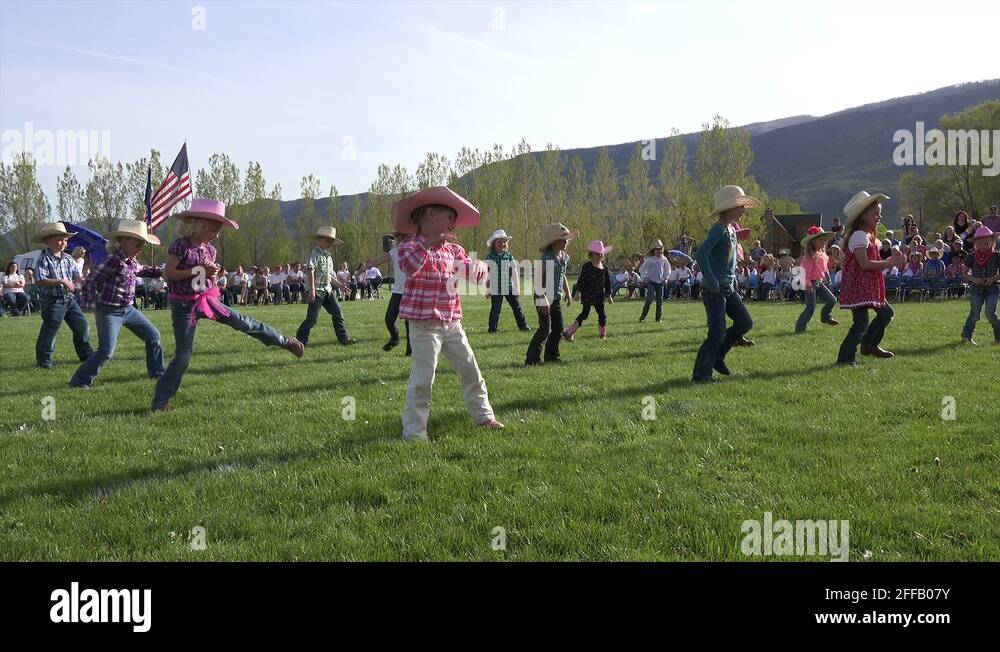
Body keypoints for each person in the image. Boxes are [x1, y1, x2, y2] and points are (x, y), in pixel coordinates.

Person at [151, 199, 303, 411]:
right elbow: (168, 275)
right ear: (199, 224)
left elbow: (207, 279)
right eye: (214, 229)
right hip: (183, 307)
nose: (217, 234)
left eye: (219, 230)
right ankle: (160, 402)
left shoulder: (211, 251)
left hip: (207, 299)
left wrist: (210, 273)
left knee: (243, 322)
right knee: (183, 356)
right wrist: (198, 269)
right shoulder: (181, 246)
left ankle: (285, 341)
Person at [392, 186, 503, 440]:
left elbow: (471, 273)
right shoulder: (409, 246)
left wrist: (481, 269)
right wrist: (431, 243)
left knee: (471, 370)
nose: (454, 223)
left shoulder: (453, 250)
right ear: (430, 213)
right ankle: (414, 433)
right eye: (449, 216)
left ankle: (484, 416)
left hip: (452, 323)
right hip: (423, 326)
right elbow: (409, 266)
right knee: (423, 380)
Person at [70, 219, 164, 388]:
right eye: (138, 244)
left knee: (153, 336)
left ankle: (157, 375)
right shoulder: (112, 260)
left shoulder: (131, 261)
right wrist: (92, 305)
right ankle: (79, 381)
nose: (140, 248)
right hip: (108, 311)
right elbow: (92, 283)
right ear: (124, 241)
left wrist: (165, 270)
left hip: (128, 310)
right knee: (106, 351)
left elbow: (144, 270)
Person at [692, 186, 757, 383]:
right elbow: (700, 254)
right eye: (741, 206)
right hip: (714, 290)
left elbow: (729, 261)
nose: (744, 210)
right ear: (729, 208)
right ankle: (700, 375)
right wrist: (711, 281)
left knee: (745, 322)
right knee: (717, 332)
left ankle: (718, 356)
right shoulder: (718, 230)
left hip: (728, 288)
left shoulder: (731, 230)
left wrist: (733, 281)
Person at [836, 191, 905, 366]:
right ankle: (845, 358)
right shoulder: (859, 235)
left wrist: (893, 258)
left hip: (868, 286)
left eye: (879, 212)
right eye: (876, 213)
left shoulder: (867, 235)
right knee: (860, 323)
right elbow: (865, 264)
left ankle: (869, 345)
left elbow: (872, 260)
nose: (879, 216)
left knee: (886, 313)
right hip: (859, 286)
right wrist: (889, 263)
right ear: (863, 215)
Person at [33, 222, 93, 368]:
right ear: (48, 241)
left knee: (82, 326)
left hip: (69, 300)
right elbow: (40, 280)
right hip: (53, 302)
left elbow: (76, 276)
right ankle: (44, 361)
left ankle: (86, 355)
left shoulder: (67, 258)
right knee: (51, 330)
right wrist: (62, 281)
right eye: (59, 239)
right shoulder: (44, 259)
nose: (63, 242)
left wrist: (86, 281)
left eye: (65, 240)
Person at [295, 226, 357, 347]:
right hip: (317, 291)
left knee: (337, 312)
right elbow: (310, 271)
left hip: (327, 290)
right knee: (312, 318)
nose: (330, 243)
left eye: (331, 241)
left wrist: (341, 286)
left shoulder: (329, 257)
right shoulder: (315, 254)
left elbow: (329, 277)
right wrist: (312, 291)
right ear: (320, 240)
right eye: (327, 240)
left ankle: (343, 338)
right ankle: (300, 340)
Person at [526, 223, 575, 365]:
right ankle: (532, 359)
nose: (566, 242)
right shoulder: (546, 258)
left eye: (567, 239)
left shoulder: (565, 258)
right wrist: (542, 297)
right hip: (543, 297)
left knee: (558, 328)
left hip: (556, 298)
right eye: (563, 239)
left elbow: (563, 275)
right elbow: (537, 279)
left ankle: (552, 356)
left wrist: (568, 293)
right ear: (554, 241)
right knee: (544, 329)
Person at [365, 232, 413, 354]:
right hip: (397, 291)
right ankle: (395, 338)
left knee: (409, 324)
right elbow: (378, 261)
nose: (399, 238)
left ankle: (410, 350)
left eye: (402, 235)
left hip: (410, 291)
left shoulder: (415, 250)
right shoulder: (394, 252)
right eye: (398, 236)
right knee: (389, 320)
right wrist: (363, 267)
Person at [564, 240, 613, 341]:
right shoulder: (587, 266)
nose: (601, 255)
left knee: (602, 315)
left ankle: (602, 335)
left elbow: (607, 283)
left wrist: (609, 295)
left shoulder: (604, 268)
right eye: (599, 253)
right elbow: (581, 280)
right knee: (585, 314)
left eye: (602, 253)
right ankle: (569, 332)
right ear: (593, 254)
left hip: (599, 295)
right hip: (588, 294)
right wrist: (577, 292)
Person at [484, 229, 531, 333]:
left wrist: (517, 288)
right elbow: (486, 273)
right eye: (499, 242)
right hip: (496, 288)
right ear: (494, 244)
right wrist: (487, 289)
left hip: (509, 286)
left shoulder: (509, 257)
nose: (502, 244)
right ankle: (492, 328)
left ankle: (523, 326)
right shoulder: (490, 257)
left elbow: (514, 272)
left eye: (504, 242)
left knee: (517, 307)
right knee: (496, 309)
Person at [794, 226, 839, 333]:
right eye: (820, 240)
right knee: (811, 307)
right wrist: (808, 284)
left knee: (832, 300)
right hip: (811, 284)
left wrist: (830, 268)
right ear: (813, 242)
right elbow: (805, 271)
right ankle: (799, 328)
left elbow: (823, 268)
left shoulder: (822, 254)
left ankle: (825, 316)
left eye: (824, 240)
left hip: (818, 283)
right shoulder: (809, 257)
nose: (823, 242)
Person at [961, 226, 1000, 345]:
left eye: (986, 243)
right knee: (974, 314)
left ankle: (998, 337)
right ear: (975, 244)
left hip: (992, 288)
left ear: (992, 242)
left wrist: (993, 278)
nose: (983, 246)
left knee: (990, 314)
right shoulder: (971, 257)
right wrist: (973, 279)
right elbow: (965, 273)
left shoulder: (997, 256)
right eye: (980, 243)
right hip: (976, 289)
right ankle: (966, 336)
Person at [638, 240, 671, 322]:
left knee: (660, 301)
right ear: (654, 251)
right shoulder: (649, 260)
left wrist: (666, 278)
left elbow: (668, 270)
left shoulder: (664, 259)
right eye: (657, 249)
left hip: (660, 282)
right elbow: (641, 269)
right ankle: (642, 317)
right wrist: (645, 277)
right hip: (651, 282)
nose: (659, 251)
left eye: (660, 249)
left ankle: (658, 319)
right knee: (650, 299)